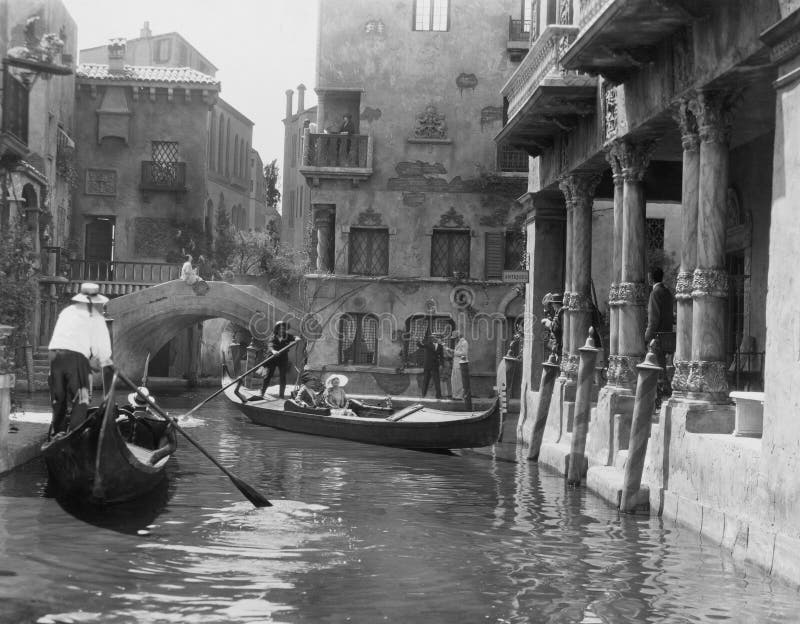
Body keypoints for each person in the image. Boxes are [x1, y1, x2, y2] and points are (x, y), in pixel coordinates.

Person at [48, 282, 113, 435]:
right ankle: (73, 435)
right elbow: (103, 351)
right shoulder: (96, 317)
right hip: (77, 360)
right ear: (94, 301)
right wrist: (103, 361)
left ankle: (59, 432)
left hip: (55, 358)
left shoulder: (66, 311)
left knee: (58, 399)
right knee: (82, 399)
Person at [645, 267, 675, 406]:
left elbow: (654, 319)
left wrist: (647, 336)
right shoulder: (667, 292)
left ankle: (661, 396)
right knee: (661, 367)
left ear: (651, 278)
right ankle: (660, 396)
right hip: (667, 335)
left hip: (656, 337)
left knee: (656, 369)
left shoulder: (655, 293)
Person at [259, 321, 298, 399]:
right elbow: (270, 346)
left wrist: (297, 339)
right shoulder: (272, 337)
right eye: (280, 328)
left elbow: (295, 337)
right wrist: (273, 351)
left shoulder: (287, 336)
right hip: (273, 358)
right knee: (268, 376)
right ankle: (262, 393)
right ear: (277, 329)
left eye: (283, 328)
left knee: (282, 377)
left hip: (283, 359)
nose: (281, 330)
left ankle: (281, 396)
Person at [417, 333, 443, 399]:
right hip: (428, 366)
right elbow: (421, 345)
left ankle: (439, 395)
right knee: (426, 380)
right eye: (433, 337)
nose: (435, 338)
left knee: (437, 381)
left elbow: (441, 356)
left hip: (435, 366)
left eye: (436, 337)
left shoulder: (440, 346)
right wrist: (418, 341)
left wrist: (441, 365)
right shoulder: (428, 344)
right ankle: (423, 394)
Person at [446, 331, 470, 400]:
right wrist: (450, 351)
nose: (454, 339)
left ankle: (459, 396)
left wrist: (453, 351)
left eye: (455, 338)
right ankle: (455, 395)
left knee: (459, 381)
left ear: (458, 337)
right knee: (454, 380)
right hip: (456, 363)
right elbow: (457, 353)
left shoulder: (464, 342)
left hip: (460, 364)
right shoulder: (459, 343)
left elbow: (464, 353)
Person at [540, 293, 565, 359]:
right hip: (556, 346)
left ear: (556, 304)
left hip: (559, 346)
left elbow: (557, 329)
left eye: (552, 304)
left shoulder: (561, 312)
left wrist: (549, 324)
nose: (552, 306)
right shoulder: (558, 312)